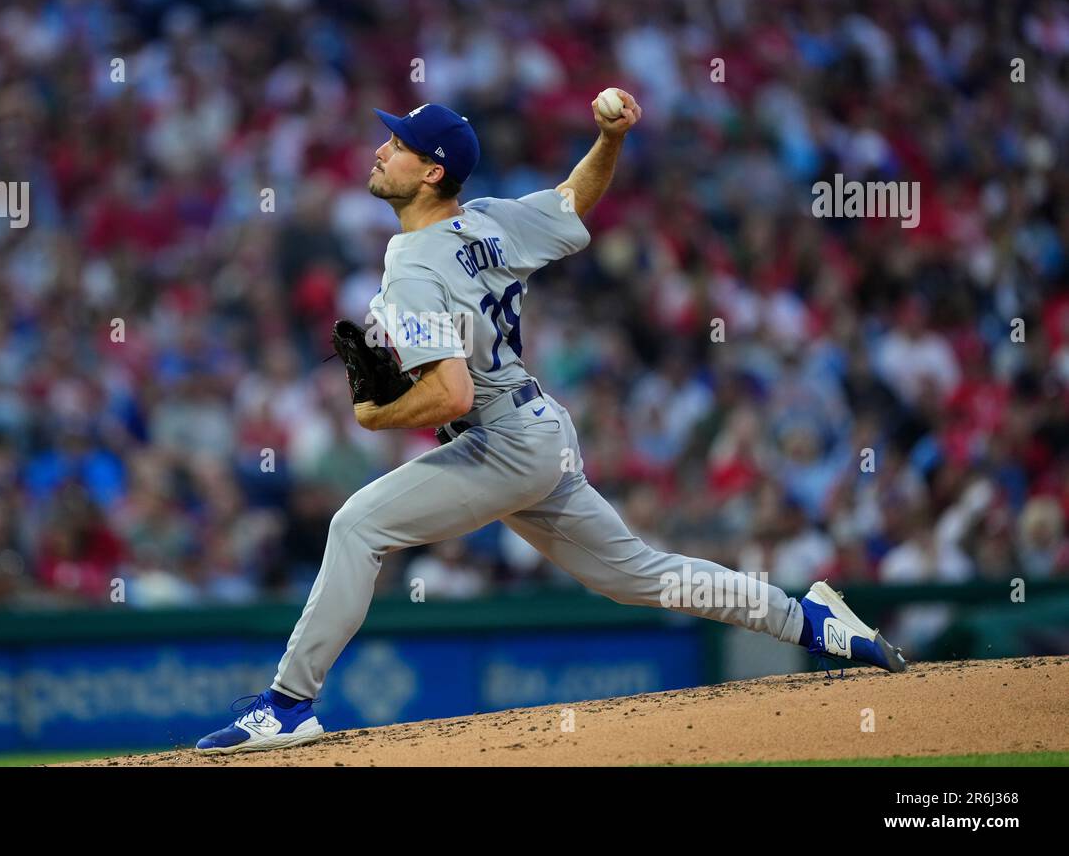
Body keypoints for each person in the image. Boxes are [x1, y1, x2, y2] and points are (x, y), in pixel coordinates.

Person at [195, 94, 906, 755]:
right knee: (641, 576)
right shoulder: (489, 221)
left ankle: (290, 704)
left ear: (431, 171)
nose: (382, 151)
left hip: (501, 438)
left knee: (357, 526)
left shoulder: (412, 264)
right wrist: (609, 138)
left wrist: (375, 412)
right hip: (536, 431)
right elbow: (572, 204)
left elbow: (448, 393)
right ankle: (811, 622)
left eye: (399, 144)